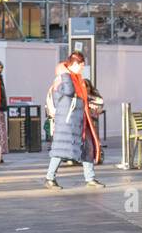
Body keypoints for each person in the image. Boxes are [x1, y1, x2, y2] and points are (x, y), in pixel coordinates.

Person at [45, 51, 104, 188]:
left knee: (87, 147)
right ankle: (49, 178)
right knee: (61, 150)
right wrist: (65, 73)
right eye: (81, 66)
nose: (83, 68)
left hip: (79, 119)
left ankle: (90, 178)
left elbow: (81, 96)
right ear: (75, 64)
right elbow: (69, 92)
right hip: (67, 121)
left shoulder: (77, 77)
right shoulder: (63, 78)